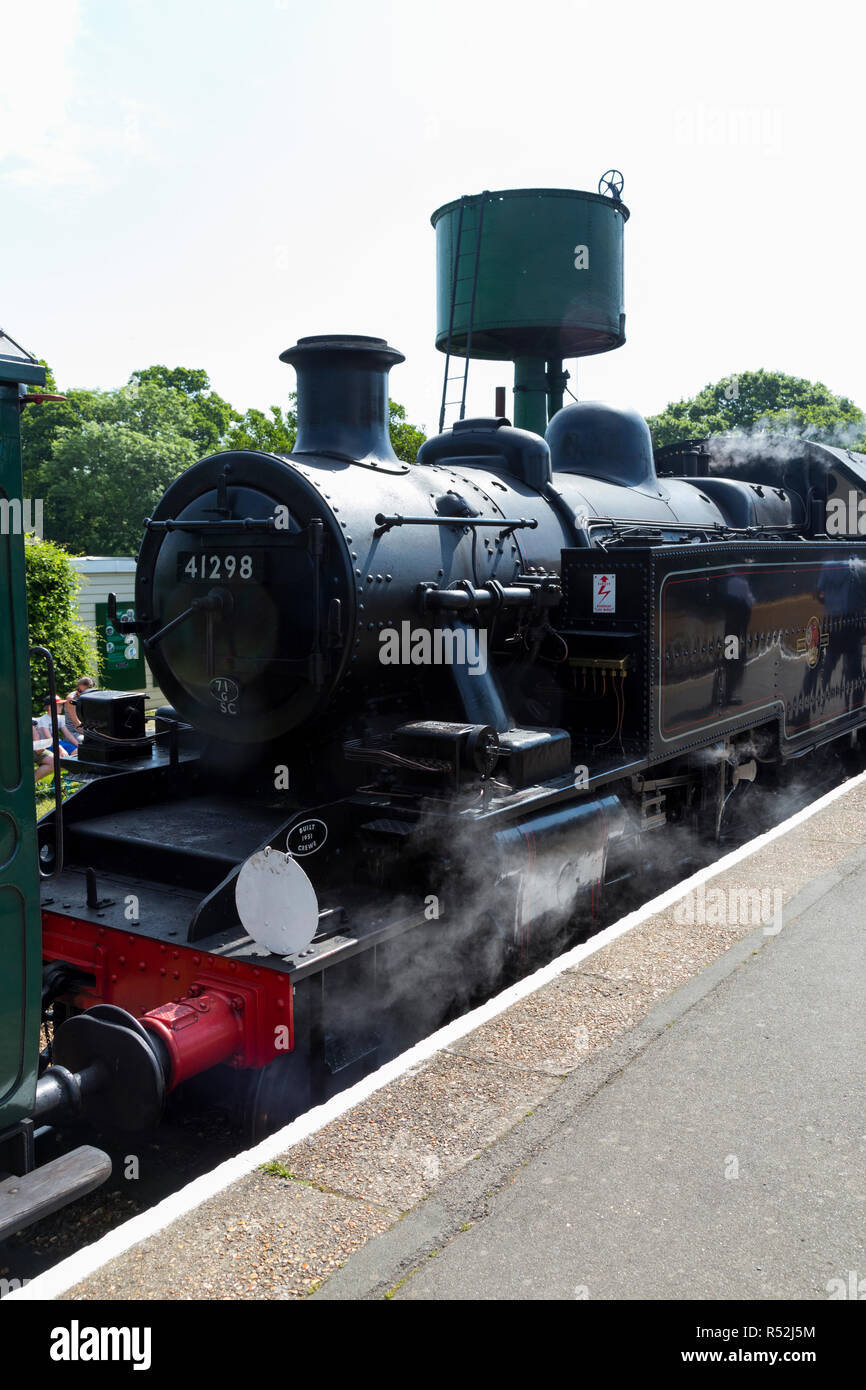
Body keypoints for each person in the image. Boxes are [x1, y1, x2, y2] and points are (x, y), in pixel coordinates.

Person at [64, 675, 95, 743]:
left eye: (82, 692)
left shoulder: (91, 697)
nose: (78, 693)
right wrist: (92, 735)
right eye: (78, 690)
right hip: (72, 733)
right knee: (91, 742)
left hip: (87, 731)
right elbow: (76, 723)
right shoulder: (71, 698)